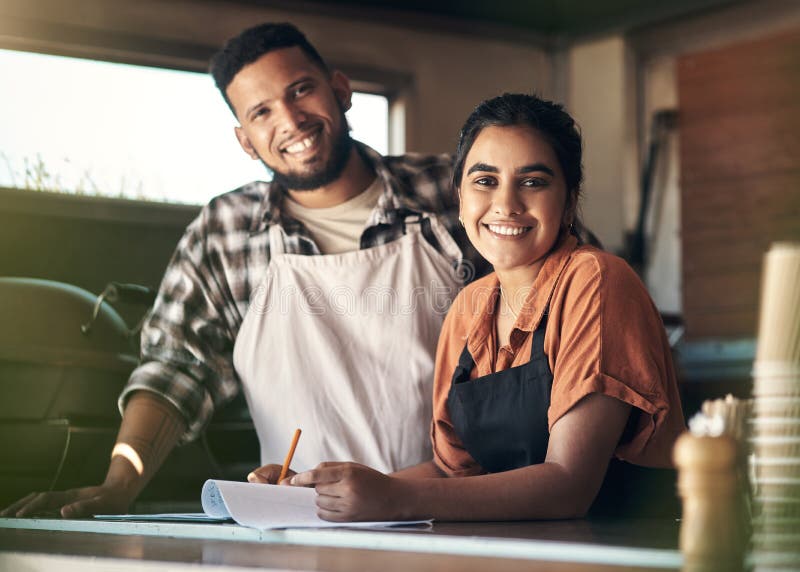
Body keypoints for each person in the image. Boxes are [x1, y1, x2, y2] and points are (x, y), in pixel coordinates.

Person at [2, 22, 485, 519]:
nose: (291, 120)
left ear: (339, 90)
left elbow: (544, 326)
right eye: (262, 112)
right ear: (245, 141)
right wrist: (118, 485)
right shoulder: (225, 230)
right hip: (301, 523)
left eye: (301, 90)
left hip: (461, 511)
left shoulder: (452, 191)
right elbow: (176, 368)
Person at [274, 93, 686, 522]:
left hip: (628, 551)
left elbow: (570, 484)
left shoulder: (596, 281)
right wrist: (313, 495)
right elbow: (451, 473)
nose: (506, 204)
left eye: (533, 181)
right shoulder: (469, 307)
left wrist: (394, 498)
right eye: (485, 181)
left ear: (568, 200)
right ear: (460, 195)